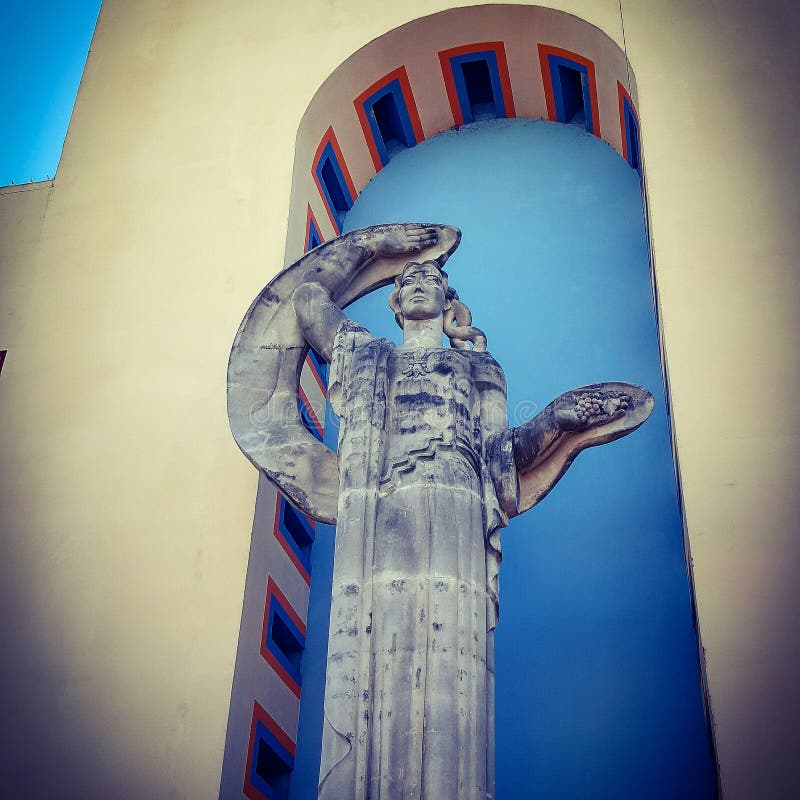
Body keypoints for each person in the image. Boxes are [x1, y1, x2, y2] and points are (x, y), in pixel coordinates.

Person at [290, 225, 646, 799]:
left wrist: (561, 419)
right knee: (375, 650)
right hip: (382, 514)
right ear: (395, 301)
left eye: (433, 278)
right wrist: (386, 249)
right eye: (410, 281)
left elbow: (502, 462)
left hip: (457, 515)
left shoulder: (480, 371)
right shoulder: (365, 356)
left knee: (453, 668)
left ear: (450, 303)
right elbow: (307, 300)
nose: (422, 282)